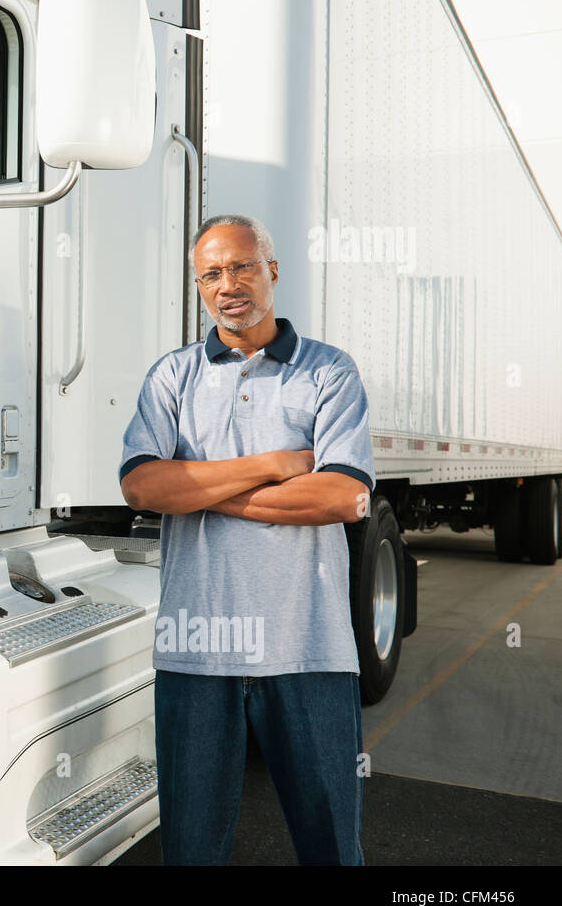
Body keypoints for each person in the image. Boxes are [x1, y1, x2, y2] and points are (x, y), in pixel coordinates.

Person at [118, 213, 375, 865]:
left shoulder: (327, 372)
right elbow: (145, 488)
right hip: (196, 653)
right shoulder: (172, 377)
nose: (227, 283)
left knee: (331, 850)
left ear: (272, 271)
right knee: (193, 852)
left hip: (308, 650)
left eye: (241, 267)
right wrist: (269, 465)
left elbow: (343, 495)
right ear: (198, 285)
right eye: (211, 272)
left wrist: (202, 491)